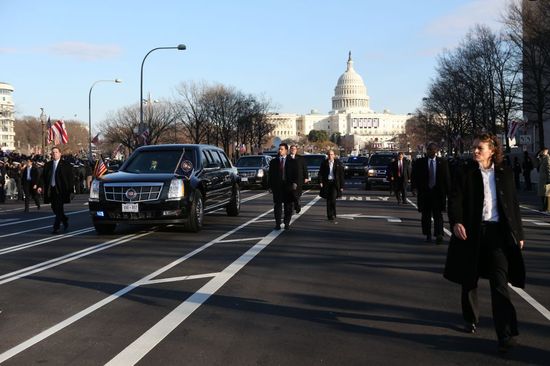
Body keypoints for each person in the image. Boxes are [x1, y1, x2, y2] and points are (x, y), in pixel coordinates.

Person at [444, 133, 525, 353]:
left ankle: (506, 333)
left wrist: (518, 234)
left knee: (500, 282)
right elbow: (455, 200)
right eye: (474, 148)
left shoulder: (504, 173)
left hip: (497, 233)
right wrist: (457, 221)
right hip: (472, 232)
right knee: (469, 279)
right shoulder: (465, 172)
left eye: (480, 148)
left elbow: (513, 204)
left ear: (492, 150)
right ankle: (470, 317)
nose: (475, 151)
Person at [411, 142, 451, 244]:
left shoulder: (442, 162)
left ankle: (439, 234)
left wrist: (448, 192)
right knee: (426, 215)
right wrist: (414, 188)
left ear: (436, 151)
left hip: (438, 193)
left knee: (438, 215)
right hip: (425, 193)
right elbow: (414, 176)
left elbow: (446, 178)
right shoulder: (420, 162)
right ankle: (428, 234)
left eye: (432, 150)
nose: (430, 151)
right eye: (428, 149)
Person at [38, 147, 74, 234]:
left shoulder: (66, 165)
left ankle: (56, 227)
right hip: (51, 189)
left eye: (56, 152)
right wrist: (40, 186)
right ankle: (64, 219)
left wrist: (71, 190)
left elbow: (70, 179)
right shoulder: (48, 165)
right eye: (53, 153)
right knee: (54, 207)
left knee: (59, 207)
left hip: (61, 190)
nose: (54, 154)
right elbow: (43, 177)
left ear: (60, 153)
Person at [268, 143, 298, 230]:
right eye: (279, 149)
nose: (280, 151)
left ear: (286, 150)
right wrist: (270, 186)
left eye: (281, 149)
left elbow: (295, 174)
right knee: (277, 205)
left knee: (288, 206)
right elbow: (271, 175)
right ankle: (277, 223)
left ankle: (286, 223)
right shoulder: (273, 162)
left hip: (288, 187)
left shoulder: (292, 161)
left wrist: (295, 183)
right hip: (277, 187)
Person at [318, 149, 345, 221]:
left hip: (334, 183)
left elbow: (341, 175)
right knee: (328, 200)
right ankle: (329, 215)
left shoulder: (338, 163)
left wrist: (342, 186)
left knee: (333, 199)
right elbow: (320, 173)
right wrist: (320, 182)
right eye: (329, 154)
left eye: (332, 154)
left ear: (334, 155)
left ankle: (333, 213)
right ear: (327, 155)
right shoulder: (324, 163)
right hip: (327, 183)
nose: (330, 156)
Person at [289, 144, 308, 213]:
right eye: (292, 149)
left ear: (296, 150)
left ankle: (297, 205)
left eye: (294, 149)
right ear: (290, 150)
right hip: (290, 179)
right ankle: (292, 207)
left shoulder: (300, 158)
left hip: (299, 178)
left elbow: (304, 168)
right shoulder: (287, 158)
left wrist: (306, 177)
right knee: (291, 194)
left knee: (297, 194)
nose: (293, 150)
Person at [537, 147, 550, 211]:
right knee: (542, 194)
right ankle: (544, 207)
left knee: (546, 194)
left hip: (545, 179)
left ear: (546, 151)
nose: (541, 152)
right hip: (542, 179)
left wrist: (549, 179)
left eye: (543, 151)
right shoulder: (543, 158)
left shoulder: (547, 158)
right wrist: (539, 157)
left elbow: (549, 169)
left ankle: (546, 208)